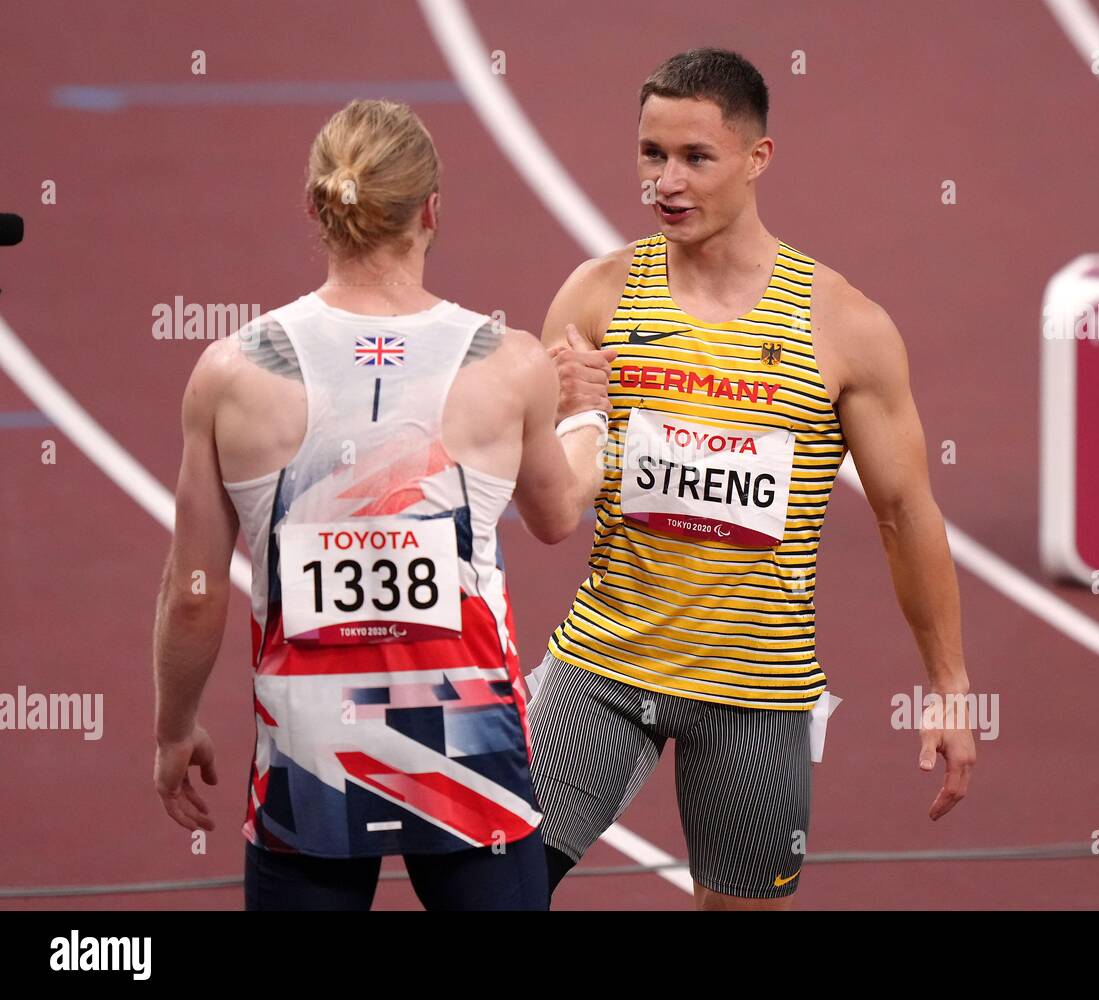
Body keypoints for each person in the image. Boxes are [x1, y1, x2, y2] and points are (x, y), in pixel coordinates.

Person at [530, 49, 977, 910]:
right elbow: (548, 501)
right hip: (604, 666)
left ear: (757, 159)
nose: (666, 181)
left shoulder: (844, 327)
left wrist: (950, 687)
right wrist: (559, 423)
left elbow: (905, 514)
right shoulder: (594, 299)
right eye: (650, 154)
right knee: (494, 885)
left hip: (756, 694)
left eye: (696, 158)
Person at [151, 99, 607, 911]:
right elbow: (558, 513)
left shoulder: (230, 372)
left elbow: (193, 595)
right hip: (469, 756)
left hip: (310, 757)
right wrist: (587, 415)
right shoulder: (510, 364)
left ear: (317, 207)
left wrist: (172, 729)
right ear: (432, 211)